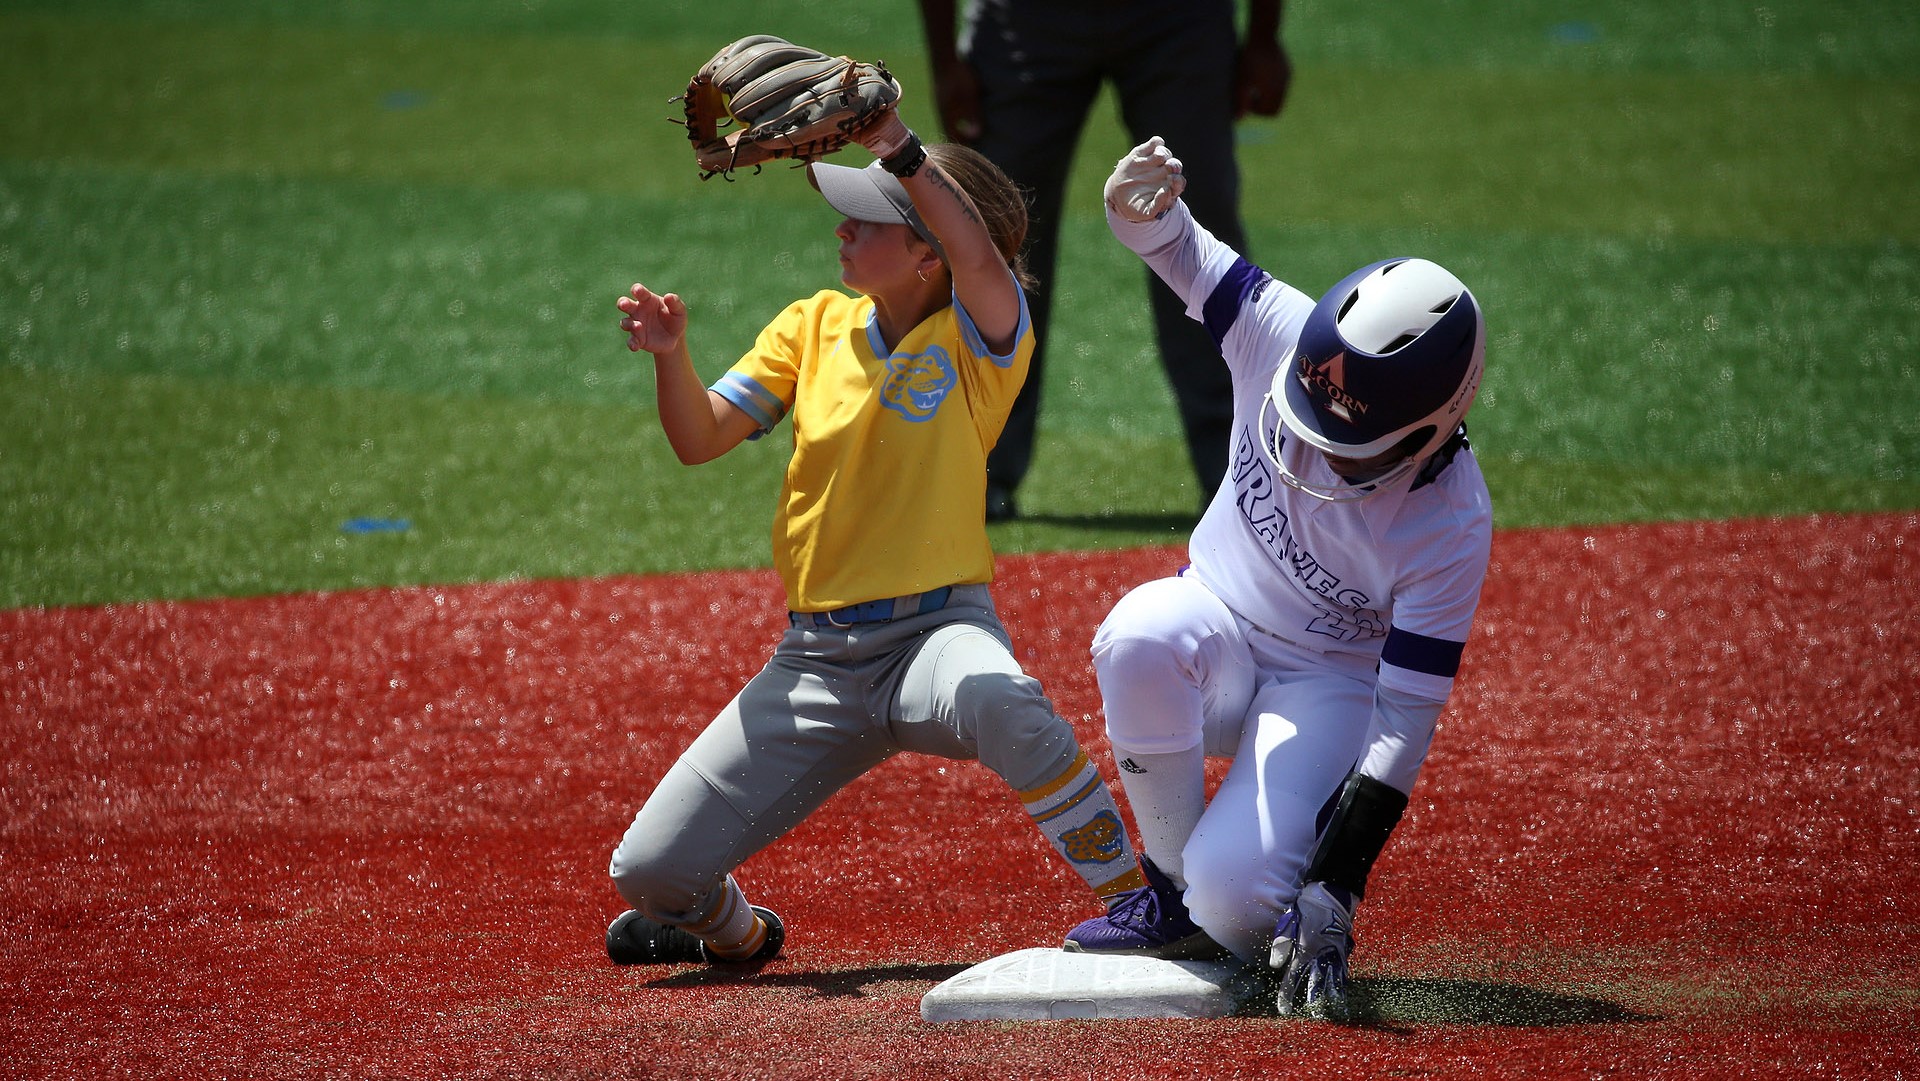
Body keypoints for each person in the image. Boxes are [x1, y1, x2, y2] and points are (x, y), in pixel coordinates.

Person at [602, 107, 1150, 967]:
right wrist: (673, 356)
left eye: (872, 217)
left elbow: (982, 258)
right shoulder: (811, 326)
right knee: (649, 869)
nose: (843, 226)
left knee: (1002, 698)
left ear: (929, 248)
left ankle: (1138, 901)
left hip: (936, 637)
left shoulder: (981, 340)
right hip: (814, 661)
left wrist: (897, 148)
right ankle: (738, 932)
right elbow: (699, 436)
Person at [1058, 138, 1494, 1019]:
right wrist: (1139, 207)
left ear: (1429, 428)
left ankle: (1222, 899)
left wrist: (1339, 884)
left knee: (1241, 906)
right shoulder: (1281, 328)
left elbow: (1405, 721)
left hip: (1328, 684)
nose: (1314, 454)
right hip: (1212, 625)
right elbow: (1173, 246)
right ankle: (1170, 896)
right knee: (1141, 631)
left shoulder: (1451, 522)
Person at [916, 0, 1292, 520]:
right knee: (990, 234)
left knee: (1201, 238)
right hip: (1024, 21)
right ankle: (971, 469)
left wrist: (1264, 37)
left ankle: (1246, 477)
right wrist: (943, 59)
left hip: (1180, 19)